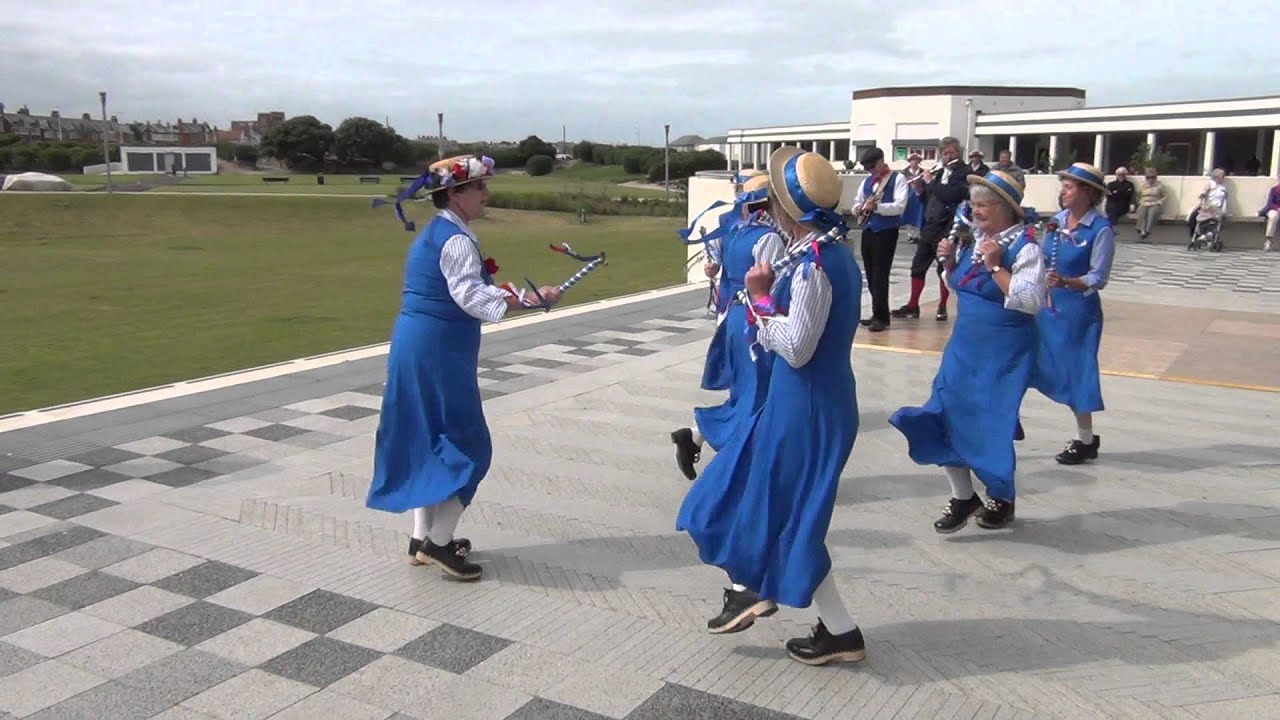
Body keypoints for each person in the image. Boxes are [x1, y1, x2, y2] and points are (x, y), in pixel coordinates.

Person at [677, 146, 867, 665]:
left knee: (783, 511)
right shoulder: (828, 255)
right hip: (804, 400)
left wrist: (761, 301)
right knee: (778, 508)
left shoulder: (815, 267)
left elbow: (798, 346)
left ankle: (751, 588)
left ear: (785, 209)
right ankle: (837, 629)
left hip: (806, 405)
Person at [365, 155, 562, 581]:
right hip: (438, 351)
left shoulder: (441, 234)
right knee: (468, 443)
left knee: (429, 436)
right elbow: (471, 297)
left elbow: (466, 288)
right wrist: (531, 299)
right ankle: (439, 544)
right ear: (454, 193)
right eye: (479, 188)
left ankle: (422, 539)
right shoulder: (454, 241)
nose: (486, 195)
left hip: (419, 345)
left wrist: (507, 293)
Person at [890, 170, 1047, 531]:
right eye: (973, 204)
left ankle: (1002, 499)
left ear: (1005, 208)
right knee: (943, 413)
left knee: (989, 422)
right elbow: (963, 287)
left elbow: (1030, 301)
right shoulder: (975, 240)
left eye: (982, 205)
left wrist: (995, 266)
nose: (975, 211)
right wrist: (947, 264)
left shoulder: (1025, 248)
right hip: (964, 347)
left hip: (1004, 352)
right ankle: (963, 495)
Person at [671, 173, 785, 479]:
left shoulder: (731, 231)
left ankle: (698, 436)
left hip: (733, 317)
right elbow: (770, 291)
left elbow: (719, 266)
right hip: (755, 322)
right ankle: (737, 458)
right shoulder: (769, 239)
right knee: (757, 394)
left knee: (745, 392)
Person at [1031, 162, 1115, 466]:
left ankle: (1085, 438)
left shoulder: (1100, 229)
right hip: (1048, 307)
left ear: (1087, 193)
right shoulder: (1056, 221)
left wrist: (1068, 282)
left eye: (1069, 186)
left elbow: (1099, 276)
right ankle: (1004, 418)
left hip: (1078, 312)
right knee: (1029, 361)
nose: (1063, 191)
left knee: (1077, 373)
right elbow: (1041, 257)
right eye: (1063, 185)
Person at [893, 137, 969, 322]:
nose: (947, 156)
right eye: (944, 153)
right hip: (930, 225)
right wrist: (919, 189)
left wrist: (930, 182)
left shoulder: (964, 172)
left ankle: (942, 306)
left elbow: (951, 194)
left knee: (943, 267)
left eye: (951, 152)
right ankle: (912, 305)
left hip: (949, 227)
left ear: (958, 153)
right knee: (918, 265)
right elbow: (929, 198)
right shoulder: (940, 171)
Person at [853, 147, 909, 332]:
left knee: (881, 274)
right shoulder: (866, 182)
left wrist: (877, 207)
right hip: (869, 229)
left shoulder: (897, 179)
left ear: (881, 161)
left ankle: (882, 317)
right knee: (869, 273)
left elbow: (899, 206)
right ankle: (877, 313)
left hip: (886, 231)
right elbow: (856, 202)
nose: (871, 171)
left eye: (872, 166)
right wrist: (859, 208)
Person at [1134, 168, 1165, 241]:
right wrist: (1140, 202)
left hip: (1155, 203)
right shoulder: (1143, 186)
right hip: (1144, 203)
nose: (1150, 179)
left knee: (1152, 213)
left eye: (1152, 177)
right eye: (1148, 177)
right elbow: (1138, 195)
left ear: (1155, 177)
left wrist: (1160, 202)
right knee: (1142, 211)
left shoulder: (1159, 186)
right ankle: (1142, 230)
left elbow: (1165, 196)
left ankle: (1147, 231)